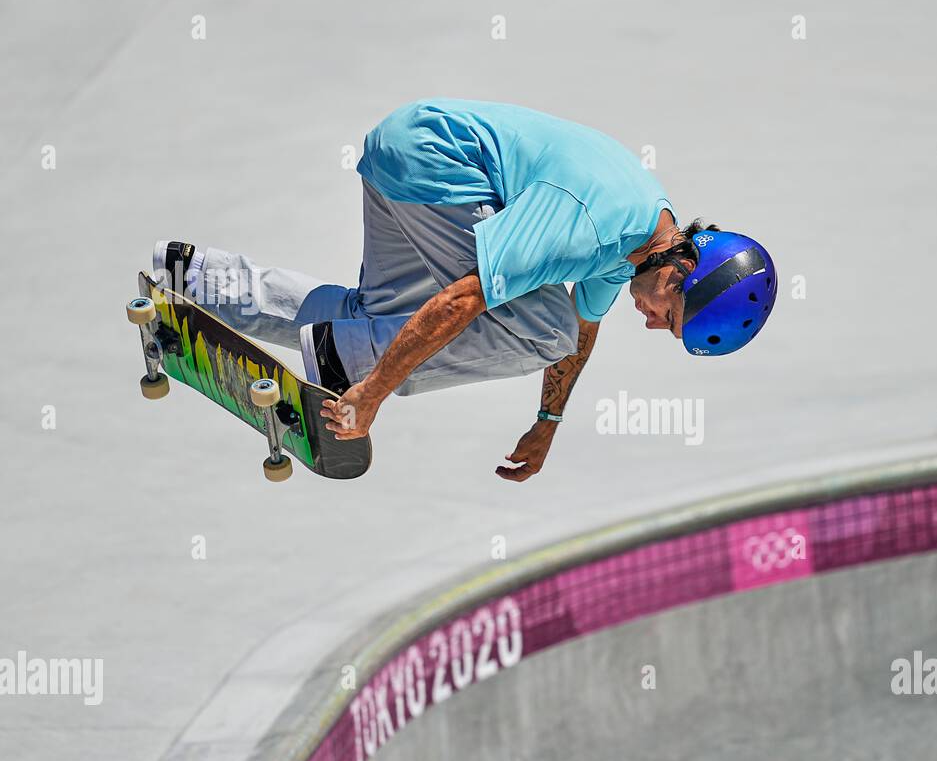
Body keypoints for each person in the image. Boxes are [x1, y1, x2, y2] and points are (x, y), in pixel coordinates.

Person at [154, 98, 777, 481]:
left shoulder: (639, 239)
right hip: (435, 168)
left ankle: (199, 276)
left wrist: (547, 423)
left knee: (375, 318)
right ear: (680, 274)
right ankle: (350, 361)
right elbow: (465, 301)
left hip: (406, 152)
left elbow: (588, 328)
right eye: (667, 318)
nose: (649, 322)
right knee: (541, 332)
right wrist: (371, 391)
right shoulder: (590, 226)